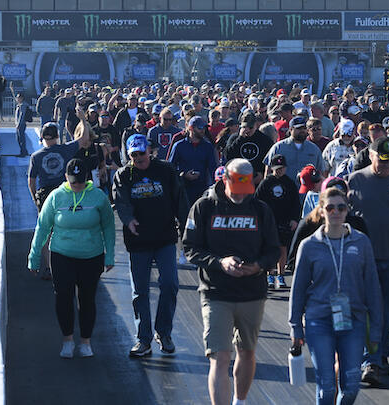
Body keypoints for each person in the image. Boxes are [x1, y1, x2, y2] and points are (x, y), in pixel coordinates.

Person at [182, 159, 281, 405]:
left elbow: (273, 250)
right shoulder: (204, 207)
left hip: (252, 292)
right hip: (216, 292)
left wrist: (258, 266)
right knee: (220, 357)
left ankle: (241, 400)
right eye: (236, 189)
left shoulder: (260, 210)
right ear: (224, 180)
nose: (240, 196)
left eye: (244, 190)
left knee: (246, 352)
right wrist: (220, 262)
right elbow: (190, 248)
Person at [289, 187, 382, 405]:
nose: (336, 212)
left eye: (341, 207)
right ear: (321, 210)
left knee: (350, 387)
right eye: (330, 207)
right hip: (318, 320)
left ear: (347, 209)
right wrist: (295, 326)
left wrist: (377, 326)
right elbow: (299, 288)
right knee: (327, 385)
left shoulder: (361, 242)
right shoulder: (309, 245)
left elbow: (372, 287)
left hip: (353, 320)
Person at [27, 158, 115, 358]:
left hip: (91, 255)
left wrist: (109, 255)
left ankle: (85, 341)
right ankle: (67, 339)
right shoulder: (56, 197)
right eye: (73, 181)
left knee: (87, 299)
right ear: (66, 178)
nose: (77, 185)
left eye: (80, 181)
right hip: (62, 254)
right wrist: (34, 257)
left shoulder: (98, 197)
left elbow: (108, 227)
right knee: (64, 297)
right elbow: (42, 227)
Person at [112, 134, 188, 358]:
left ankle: (163, 332)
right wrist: (128, 219)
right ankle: (143, 339)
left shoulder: (165, 170)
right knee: (140, 291)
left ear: (150, 151)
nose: (138, 158)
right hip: (138, 240)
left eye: (141, 153)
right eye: (133, 155)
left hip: (164, 237)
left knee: (170, 284)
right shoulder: (124, 175)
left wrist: (186, 230)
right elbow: (121, 200)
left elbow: (179, 199)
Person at [346, 136, 389, 384]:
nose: (386, 166)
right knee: (369, 311)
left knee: (388, 312)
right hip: (365, 257)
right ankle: (369, 361)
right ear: (371, 156)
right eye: (382, 161)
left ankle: (382, 357)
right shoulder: (356, 180)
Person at [254, 154, 300, 289]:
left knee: (282, 248)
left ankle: (281, 275)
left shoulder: (289, 183)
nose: (279, 171)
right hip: (268, 221)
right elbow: (256, 202)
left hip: (284, 220)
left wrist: (294, 219)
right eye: (277, 168)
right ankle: (270, 274)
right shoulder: (266, 183)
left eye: (282, 168)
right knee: (269, 248)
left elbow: (296, 204)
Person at [168, 115, 217, 204]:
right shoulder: (179, 146)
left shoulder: (208, 146)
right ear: (191, 128)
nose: (203, 130)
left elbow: (213, 169)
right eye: (200, 128)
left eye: (204, 128)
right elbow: (170, 168)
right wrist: (183, 174)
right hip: (183, 190)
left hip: (202, 190)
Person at [264, 115, 327, 180]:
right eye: (299, 128)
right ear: (290, 129)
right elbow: (268, 170)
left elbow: (321, 171)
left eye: (304, 128)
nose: (302, 130)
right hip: (284, 188)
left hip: (307, 189)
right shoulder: (278, 147)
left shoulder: (314, 149)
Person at [223, 111, 274, 186]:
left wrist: (263, 174)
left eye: (250, 127)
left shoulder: (264, 140)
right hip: (238, 178)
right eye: (245, 127)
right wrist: (240, 138)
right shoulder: (234, 138)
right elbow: (228, 155)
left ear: (255, 125)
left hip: (256, 179)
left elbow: (270, 159)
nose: (248, 130)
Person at [13, 92, 33, 157]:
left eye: (18, 98)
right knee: (19, 138)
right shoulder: (20, 104)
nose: (17, 99)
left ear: (22, 98)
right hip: (19, 124)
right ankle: (24, 151)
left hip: (21, 124)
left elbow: (22, 115)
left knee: (21, 139)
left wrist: (18, 124)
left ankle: (23, 152)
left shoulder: (23, 105)